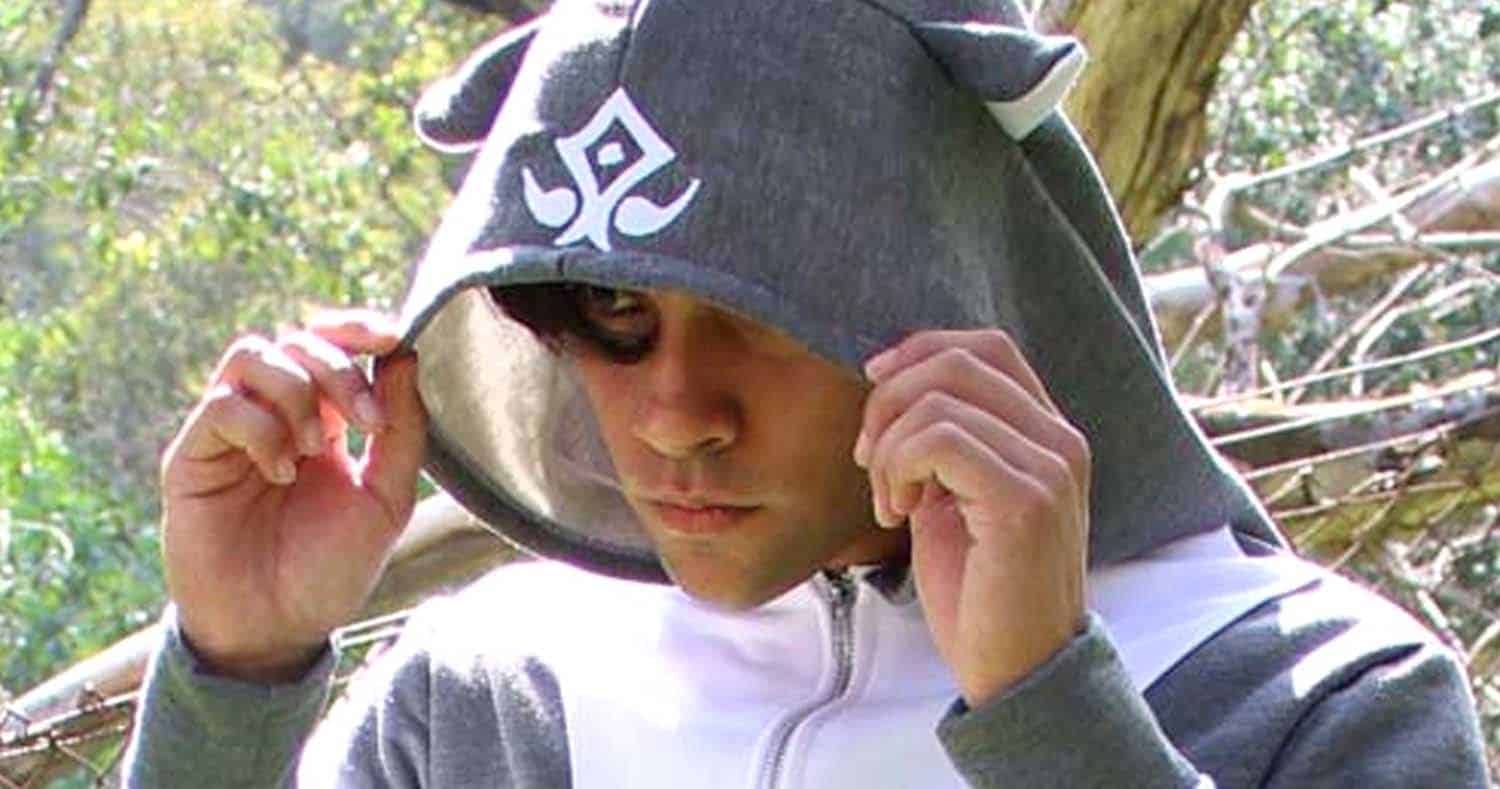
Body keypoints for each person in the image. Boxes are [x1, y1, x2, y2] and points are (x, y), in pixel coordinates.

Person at [122, 0, 1490, 786]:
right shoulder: (490, 704)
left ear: (955, 279)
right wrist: (234, 676)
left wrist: (1051, 713)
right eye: (615, 314)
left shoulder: (1305, 695)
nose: (677, 415)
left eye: (767, 310)